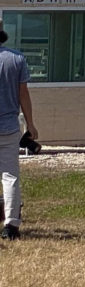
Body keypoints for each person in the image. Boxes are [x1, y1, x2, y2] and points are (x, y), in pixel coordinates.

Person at [0, 22, 38, 240]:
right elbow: (24, 95)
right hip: (8, 128)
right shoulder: (16, 59)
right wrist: (30, 125)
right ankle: (11, 225)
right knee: (10, 176)